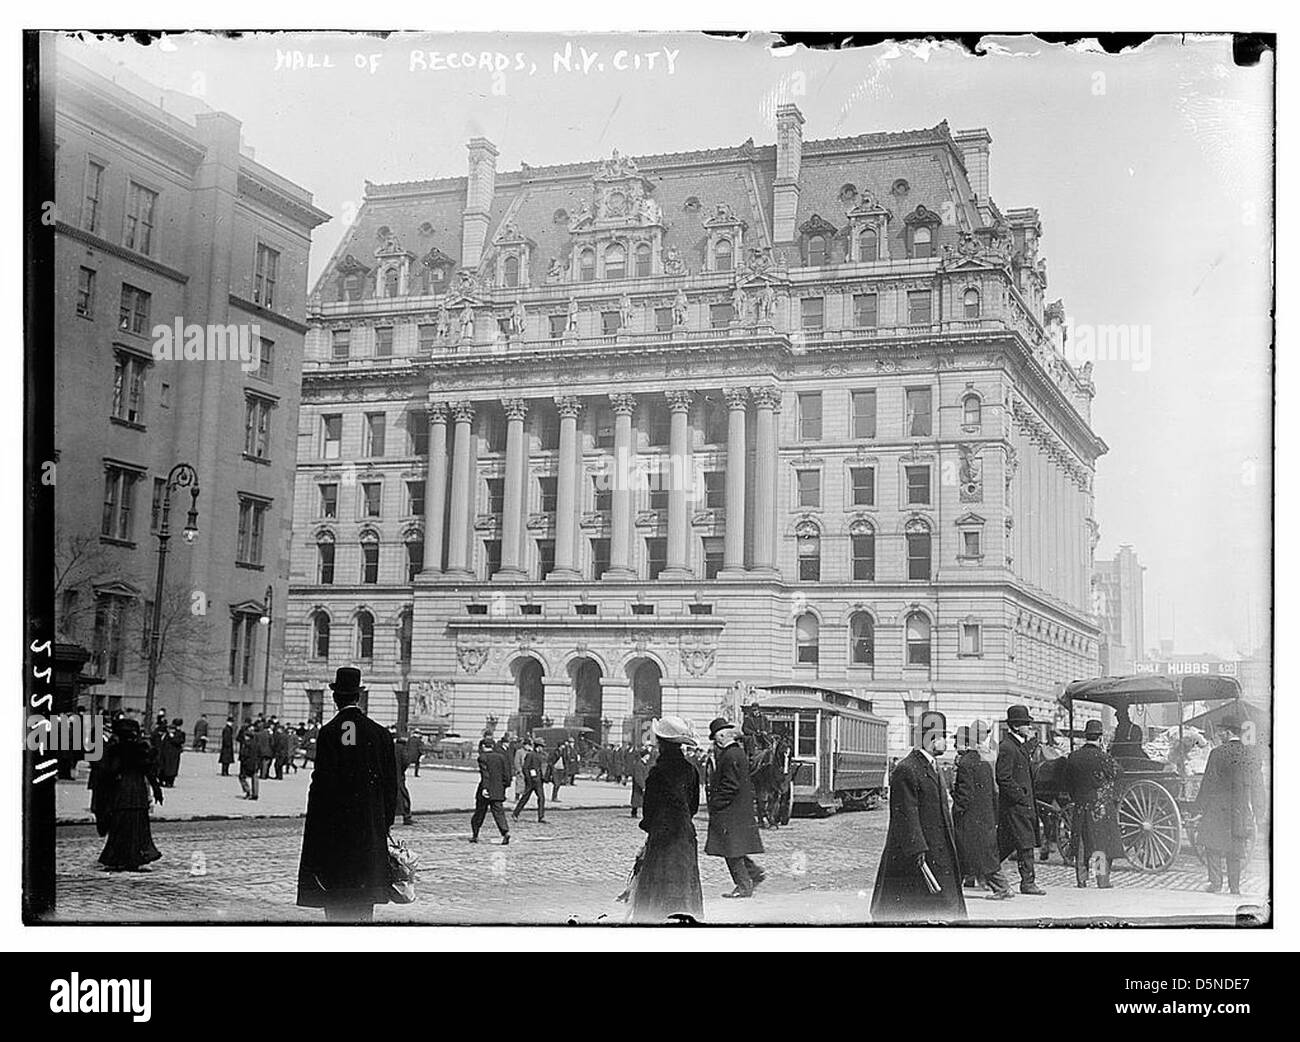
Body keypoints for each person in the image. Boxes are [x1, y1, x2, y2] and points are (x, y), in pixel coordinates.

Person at [296, 668, 398, 922]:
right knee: (364, 909)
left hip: (335, 837)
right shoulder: (381, 734)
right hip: (368, 834)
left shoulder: (330, 733)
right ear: (359, 696)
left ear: (335, 698)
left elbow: (319, 787)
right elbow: (390, 787)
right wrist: (382, 824)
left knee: (336, 905)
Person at [871, 711, 967, 922]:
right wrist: (918, 851)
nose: (946, 742)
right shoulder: (907, 769)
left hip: (938, 849)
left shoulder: (933, 765)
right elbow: (905, 814)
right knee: (916, 907)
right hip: (919, 854)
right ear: (930, 738)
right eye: (943, 736)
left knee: (941, 906)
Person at [625, 716, 704, 922]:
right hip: (684, 836)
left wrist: (653, 826)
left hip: (661, 836)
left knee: (657, 886)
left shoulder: (657, 773)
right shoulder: (691, 770)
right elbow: (693, 805)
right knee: (684, 883)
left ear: (661, 743)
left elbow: (648, 811)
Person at [1193, 712, 1265, 895]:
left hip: (1218, 808)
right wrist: (1259, 812)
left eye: (1221, 732)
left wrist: (1198, 808)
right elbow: (1258, 786)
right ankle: (1235, 887)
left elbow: (1208, 782)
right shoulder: (1252, 755)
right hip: (1240, 808)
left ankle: (1216, 884)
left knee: (1212, 846)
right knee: (1236, 849)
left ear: (1226, 733)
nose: (1219, 735)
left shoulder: (1217, 753)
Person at [704, 717, 766, 898]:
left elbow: (730, 785)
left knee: (730, 849)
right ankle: (754, 873)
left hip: (730, 811)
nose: (716, 742)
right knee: (734, 848)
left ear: (722, 736)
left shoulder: (730, 755)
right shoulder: (736, 753)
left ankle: (744, 886)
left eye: (716, 738)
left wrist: (716, 803)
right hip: (738, 810)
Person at [951, 723, 1013, 900]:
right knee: (974, 854)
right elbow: (993, 792)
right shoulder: (983, 761)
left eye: (957, 742)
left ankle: (1002, 888)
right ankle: (954, 887)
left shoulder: (965, 763)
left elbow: (965, 794)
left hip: (969, 818)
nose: (955, 746)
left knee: (977, 855)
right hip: (985, 817)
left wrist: (955, 810)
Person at [95, 716, 164, 872]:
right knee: (138, 827)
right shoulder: (140, 749)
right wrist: (157, 790)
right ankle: (135, 857)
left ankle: (117, 858)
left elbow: (109, 772)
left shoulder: (115, 750)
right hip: (138, 793)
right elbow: (149, 771)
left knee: (119, 826)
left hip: (121, 792)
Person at [1064, 719, 1126, 888]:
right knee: (1100, 845)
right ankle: (1102, 880)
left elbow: (1068, 783)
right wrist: (1112, 797)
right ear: (1100, 738)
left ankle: (1082, 879)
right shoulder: (1103, 757)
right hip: (1100, 808)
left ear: (1086, 736)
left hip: (1080, 805)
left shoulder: (1073, 757)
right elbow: (1119, 773)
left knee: (1082, 844)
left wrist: (1076, 797)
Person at [997, 705, 1046, 895]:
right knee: (1025, 843)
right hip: (1015, 806)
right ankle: (1028, 883)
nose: (1029, 727)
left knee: (1005, 845)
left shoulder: (1015, 746)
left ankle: (979, 873)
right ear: (1017, 726)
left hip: (1021, 805)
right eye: (1026, 724)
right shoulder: (1007, 748)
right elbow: (1003, 777)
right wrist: (1021, 795)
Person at [470, 737, 511, 844]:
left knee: (479, 813)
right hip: (498, 790)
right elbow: (507, 775)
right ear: (492, 746)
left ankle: (475, 835)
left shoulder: (482, 758)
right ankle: (505, 832)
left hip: (485, 789)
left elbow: (485, 775)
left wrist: (485, 788)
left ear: (483, 746)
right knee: (499, 813)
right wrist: (504, 786)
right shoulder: (501, 757)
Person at [512, 738, 548, 823]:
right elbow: (525, 768)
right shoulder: (530, 755)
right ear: (537, 746)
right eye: (541, 747)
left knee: (541, 798)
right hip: (531, 781)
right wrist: (528, 778)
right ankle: (515, 813)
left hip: (538, 781)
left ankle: (541, 816)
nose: (542, 749)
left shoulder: (541, 755)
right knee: (525, 798)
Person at [157, 718, 184, 788]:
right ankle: (163, 781)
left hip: (173, 755)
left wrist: (172, 738)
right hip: (165, 754)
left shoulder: (179, 734)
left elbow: (180, 741)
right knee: (164, 768)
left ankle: (169, 782)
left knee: (171, 769)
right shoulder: (166, 735)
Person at [238, 722, 261, 801]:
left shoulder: (246, 744)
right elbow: (259, 754)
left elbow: (244, 754)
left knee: (242, 777)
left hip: (247, 763)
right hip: (255, 763)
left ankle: (248, 791)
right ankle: (255, 794)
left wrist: (242, 760)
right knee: (254, 778)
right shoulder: (256, 744)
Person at [630, 747, 650, 819]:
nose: (649, 756)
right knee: (636, 800)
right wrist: (643, 786)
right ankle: (634, 813)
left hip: (643, 784)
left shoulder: (644, 764)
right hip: (638, 786)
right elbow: (638, 777)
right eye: (648, 755)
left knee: (644, 800)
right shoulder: (639, 764)